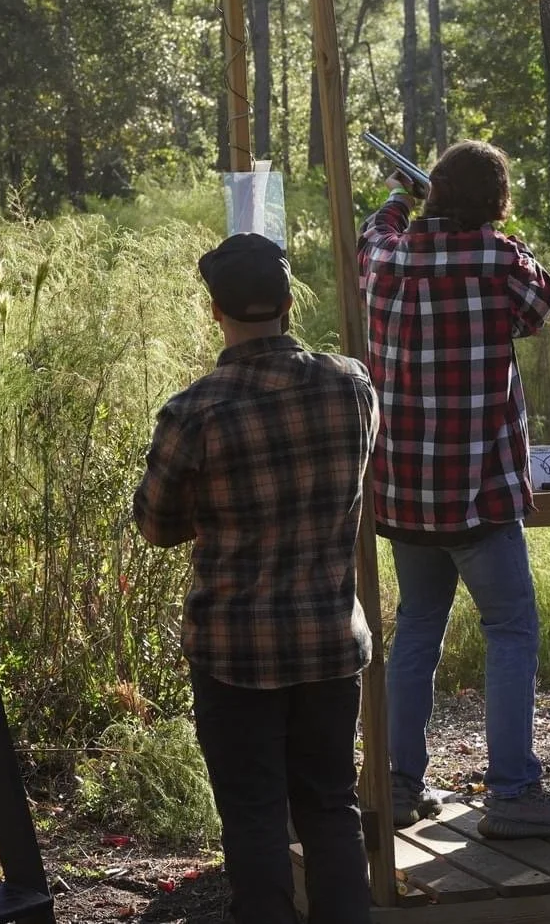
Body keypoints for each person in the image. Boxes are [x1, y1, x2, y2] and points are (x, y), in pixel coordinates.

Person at [134, 233, 376, 924]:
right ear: (289, 302)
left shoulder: (194, 412)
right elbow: (349, 480)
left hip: (235, 652)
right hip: (330, 642)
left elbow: (155, 523)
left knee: (255, 818)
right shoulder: (353, 386)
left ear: (214, 311)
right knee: (332, 805)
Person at [359, 140, 550, 838]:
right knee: (512, 629)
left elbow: (379, 227)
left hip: (406, 496)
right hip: (479, 497)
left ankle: (401, 784)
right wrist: (496, 230)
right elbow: (543, 297)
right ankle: (515, 793)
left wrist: (405, 196)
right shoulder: (496, 259)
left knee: (417, 633)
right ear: (494, 205)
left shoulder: (386, 259)